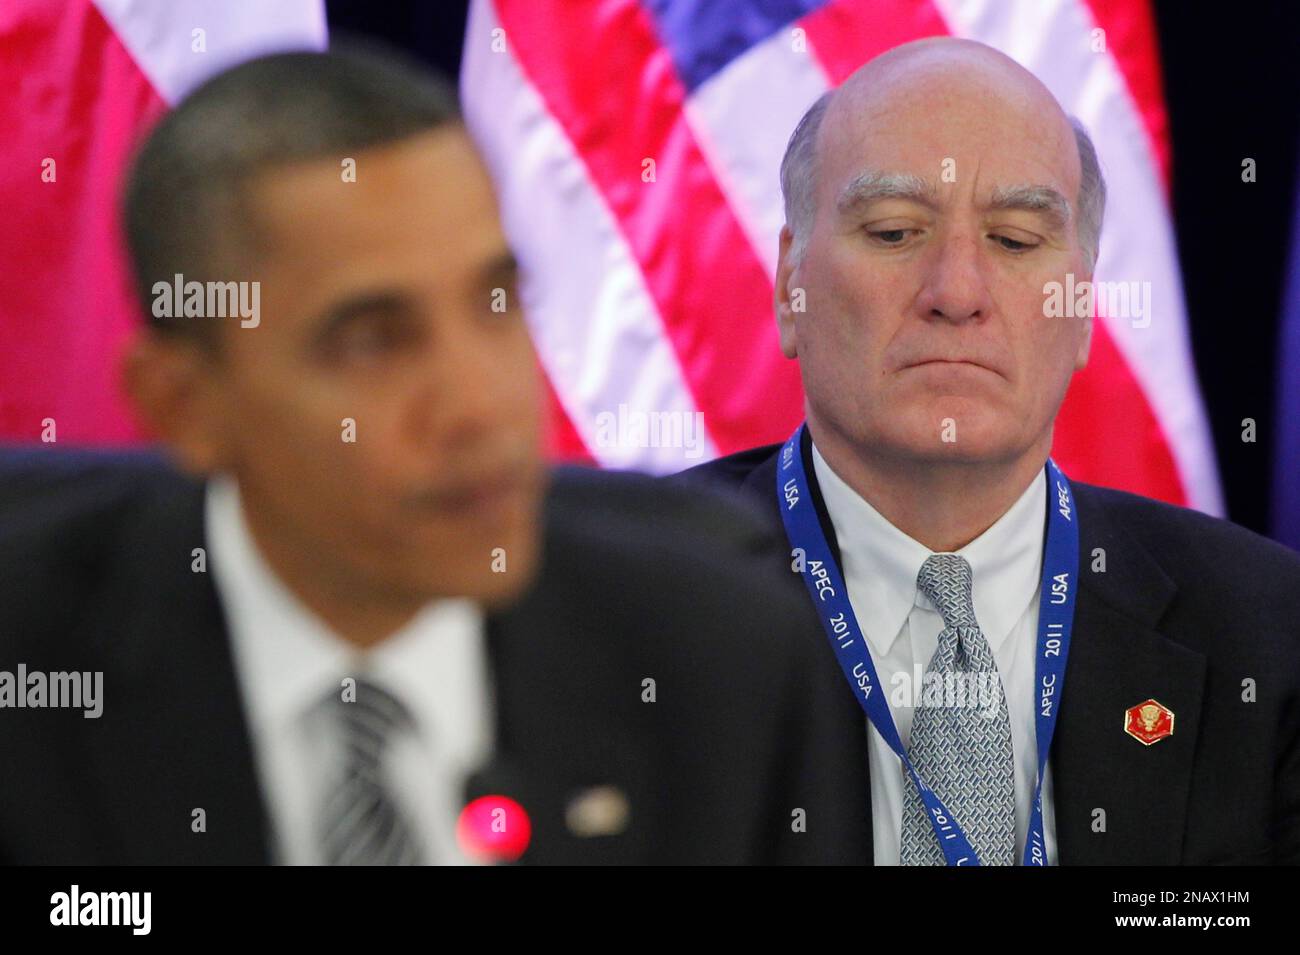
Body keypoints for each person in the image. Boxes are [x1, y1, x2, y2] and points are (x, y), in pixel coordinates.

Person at [0, 47, 871, 865]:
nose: (477, 406)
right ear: (183, 405)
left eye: (495, 303)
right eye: (373, 341)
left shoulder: (719, 657)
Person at [680, 37, 1300, 865]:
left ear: (1081, 309)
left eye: (1013, 240)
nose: (958, 293)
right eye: (896, 231)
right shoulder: (615, 613)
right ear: (791, 283)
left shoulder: (1271, 635)